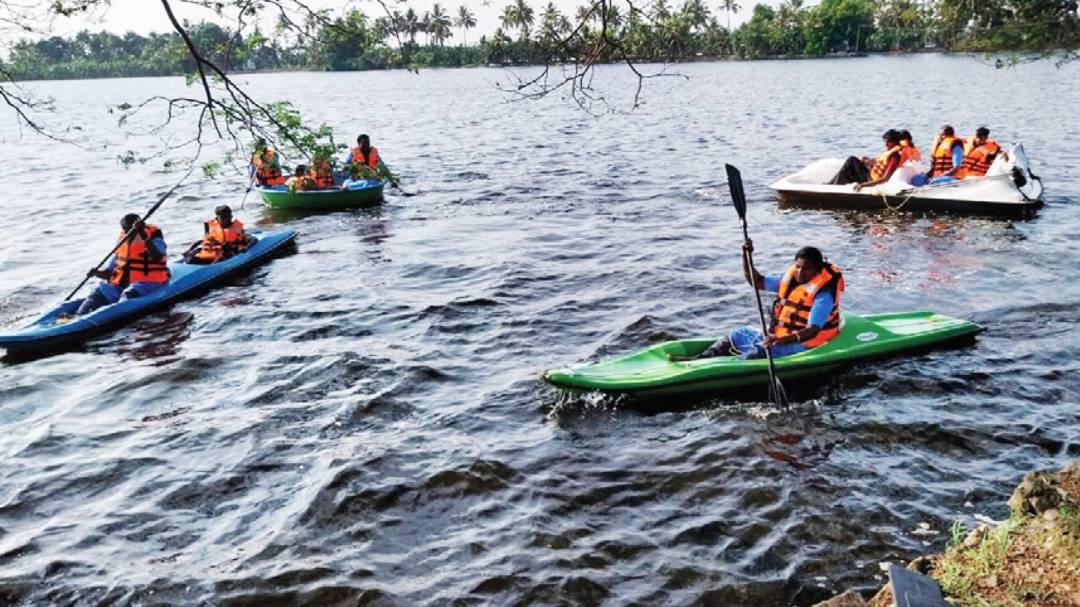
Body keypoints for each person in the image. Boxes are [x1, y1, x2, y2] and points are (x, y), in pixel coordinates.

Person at [670, 241, 844, 361]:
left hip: (804, 344)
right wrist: (746, 255)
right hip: (779, 336)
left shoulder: (823, 294)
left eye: (806, 269)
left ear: (818, 269)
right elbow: (757, 281)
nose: (800, 272)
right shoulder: (791, 280)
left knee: (758, 354)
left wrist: (779, 340)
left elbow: (813, 330)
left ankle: (729, 366)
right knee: (736, 335)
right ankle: (699, 360)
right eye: (798, 267)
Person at [76, 213, 169, 315]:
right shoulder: (123, 243)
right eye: (125, 228)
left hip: (146, 282)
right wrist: (97, 273)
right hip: (121, 285)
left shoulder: (154, 239)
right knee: (99, 293)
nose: (128, 231)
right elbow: (109, 273)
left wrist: (142, 233)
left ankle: (113, 316)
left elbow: (158, 258)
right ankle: (79, 316)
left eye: (131, 228)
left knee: (128, 294)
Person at [828, 130, 903, 190]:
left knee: (851, 160)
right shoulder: (890, 152)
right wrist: (869, 162)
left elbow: (885, 179)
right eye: (885, 142)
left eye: (888, 142)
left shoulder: (894, 157)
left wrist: (863, 185)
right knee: (850, 168)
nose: (886, 145)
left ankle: (831, 186)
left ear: (895, 142)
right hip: (870, 175)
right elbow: (881, 164)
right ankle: (832, 184)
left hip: (870, 180)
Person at [184, 205, 255, 264]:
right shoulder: (211, 226)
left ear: (231, 216)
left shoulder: (236, 228)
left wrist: (245, 248)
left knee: (218, 259)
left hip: (225, 255)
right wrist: (189, 250)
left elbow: (252, 239)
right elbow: (202, 240)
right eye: (223, 217)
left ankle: (210, 269)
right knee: (190, 259)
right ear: (217, 218)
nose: (226, 219)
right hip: (208, 253)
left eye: (228, 217)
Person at [933, 127, 1000, 183]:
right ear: (975, 136)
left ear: (986, 138)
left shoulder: (991, 148)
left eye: (982, 139)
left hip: (977, 178)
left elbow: (999, 155)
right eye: (977, 137)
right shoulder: (967, 142)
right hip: (962, 176)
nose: (979, 140)